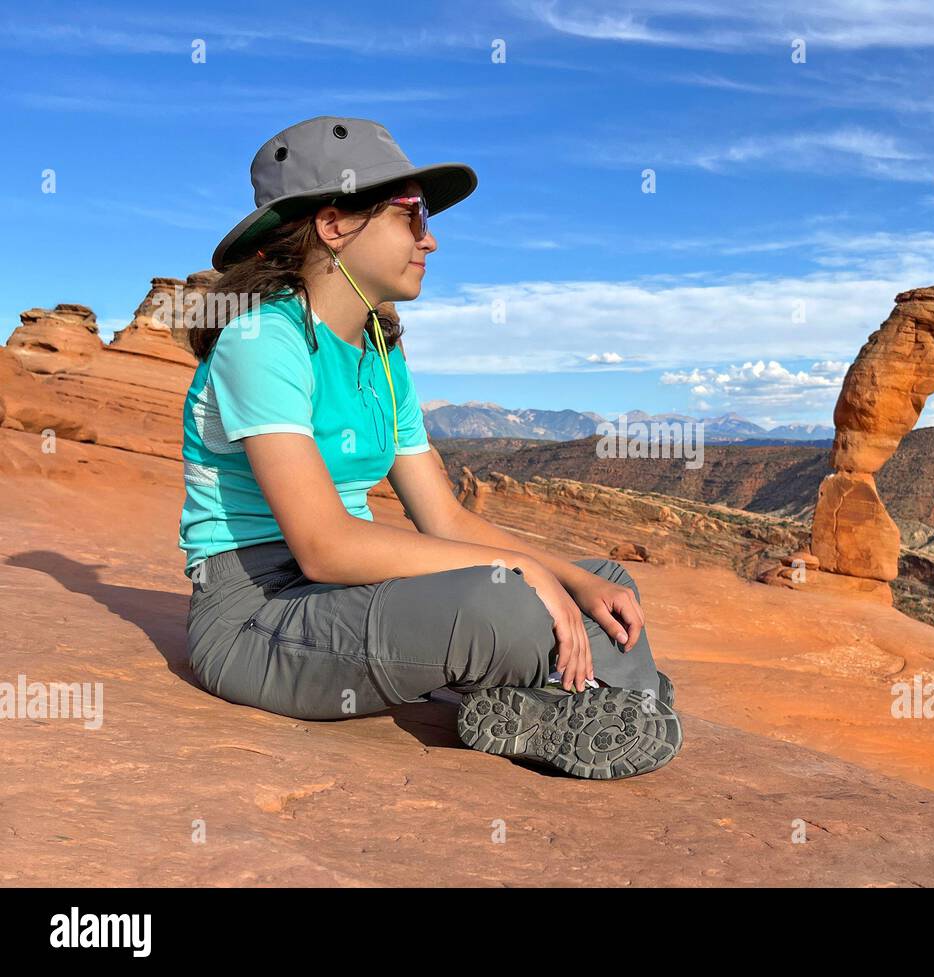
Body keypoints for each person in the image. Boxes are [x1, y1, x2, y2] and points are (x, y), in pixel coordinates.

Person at [179, 116, 682, 780]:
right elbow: (324, 546)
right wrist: (517, 569)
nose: (431, 239)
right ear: (333, 224)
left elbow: (444, 519)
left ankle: (555, 708)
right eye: (412, 216)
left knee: (608, 586)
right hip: (257, 614)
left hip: (345, 591)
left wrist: (572, 575)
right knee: (502, 600)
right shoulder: (263, 342)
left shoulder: (381, 356)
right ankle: (611, 700)